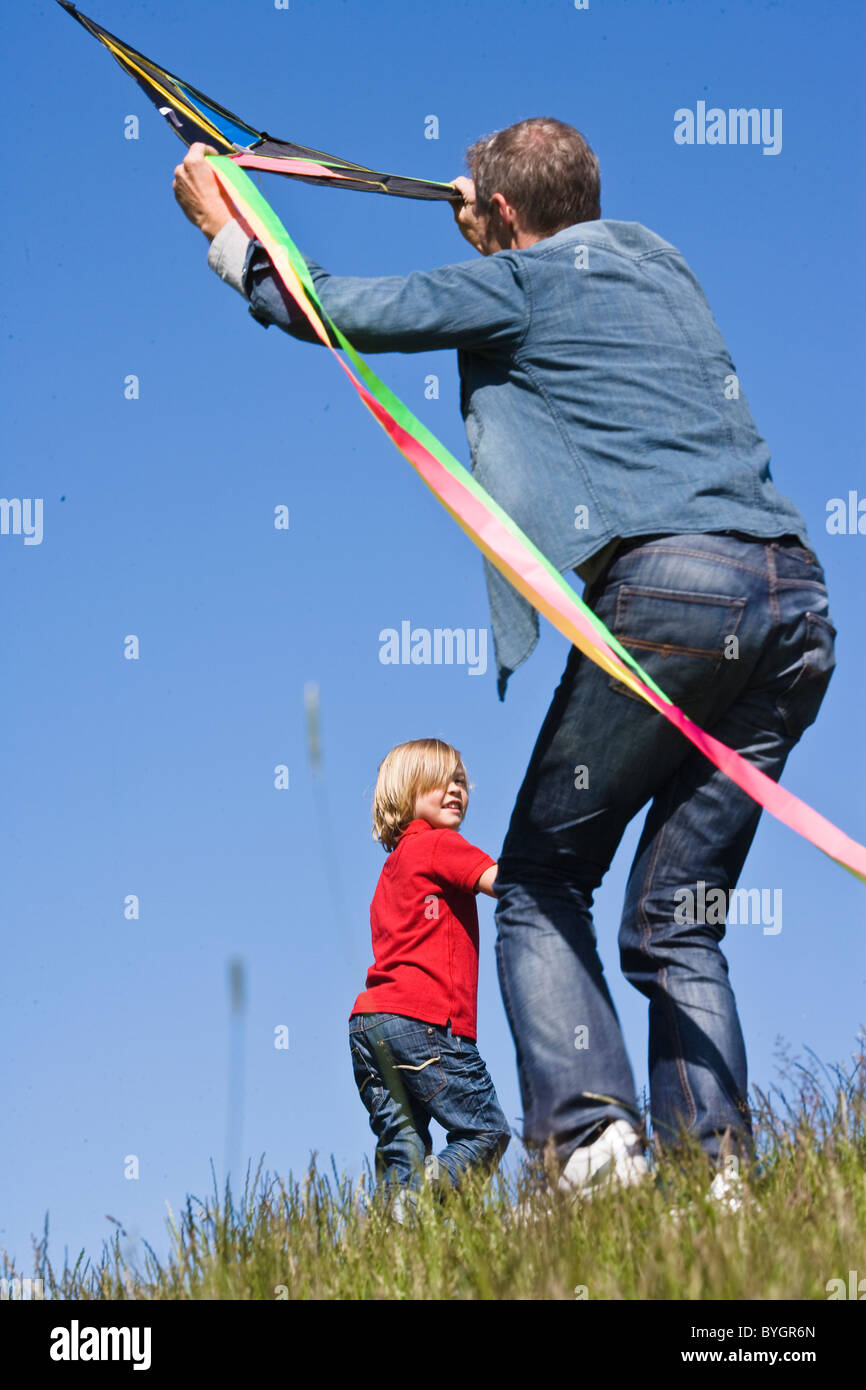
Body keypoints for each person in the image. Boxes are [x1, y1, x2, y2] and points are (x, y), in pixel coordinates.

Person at [173, 117, 836, 1197]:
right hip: (793, 603)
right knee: (680, 917)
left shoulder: (521, 284)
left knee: (534, 877)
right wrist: (499, 209)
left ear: (504, 215)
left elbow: (336, 311)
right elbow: (560, 278)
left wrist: (227, 232)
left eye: (481, 202)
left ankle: (588, 1143)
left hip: (673, 590)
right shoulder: (658, 259)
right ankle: (716, 1173)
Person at [347, 738, 510, 1211]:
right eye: (438, 781)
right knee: (485, 1130)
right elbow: (499, 882)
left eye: (459, 779)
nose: (455, 788)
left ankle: (392, 1236)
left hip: (370, 1026)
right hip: (426, 1023)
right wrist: (545, 874)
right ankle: (423, 1203)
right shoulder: (439, 844)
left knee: (403, 1149)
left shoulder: (391, 870)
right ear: (406, 793)